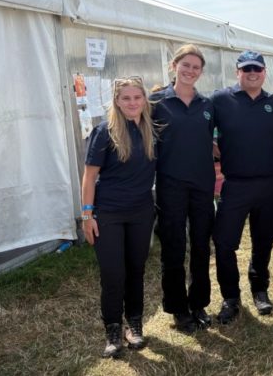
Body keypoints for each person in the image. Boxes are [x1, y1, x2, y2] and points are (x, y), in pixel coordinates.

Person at [81, 76, 157, 358]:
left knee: (136, 270)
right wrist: (87, 216)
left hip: (141, 211)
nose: (133, 103)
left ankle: (134, 324)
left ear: (144, 100)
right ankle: (113, 330)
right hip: (109, 212)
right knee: (113, 274)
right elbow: (89, 178)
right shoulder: (105, 131)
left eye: (137, 97)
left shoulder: (151, 129)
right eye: (126, 98)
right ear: (116, 101)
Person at [211, 50, 273, 321]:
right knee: (224, 243)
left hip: (268, 184)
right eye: (246, 69)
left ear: (264, 72)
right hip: (235, 185)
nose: (252, 73)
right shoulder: (220, 100)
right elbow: (200, 127)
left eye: (257, 69)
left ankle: (260, 289)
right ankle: (231, 297)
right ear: (237, 72)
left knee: (264, 239)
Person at [150, 44, 215, 333]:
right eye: (185, 65)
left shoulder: (207, 105)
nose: (190, 71)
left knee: (201, 246)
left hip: (202, 185)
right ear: (174, 65)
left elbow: (215, 142)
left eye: (196, 67)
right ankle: (178, 308)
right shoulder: (155, 102)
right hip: (170, 186)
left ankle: (198, 303)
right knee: (174, 248)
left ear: (201, 72)